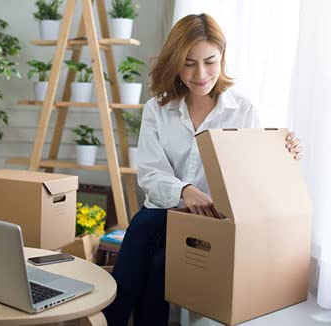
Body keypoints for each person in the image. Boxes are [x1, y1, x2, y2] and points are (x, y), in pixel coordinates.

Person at [102, 13, 303, 325]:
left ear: (222, 56)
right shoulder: (158, 109)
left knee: (158, 262)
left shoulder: (243, 110)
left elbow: (254, 174)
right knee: (145, 227)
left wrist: (285, 149)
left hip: (214, 223)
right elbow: (151, 175)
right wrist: (185, 190)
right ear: (175, 62)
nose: (200, 74)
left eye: (210, 61)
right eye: (189, 62)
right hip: (164, 215)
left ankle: (109, 320)